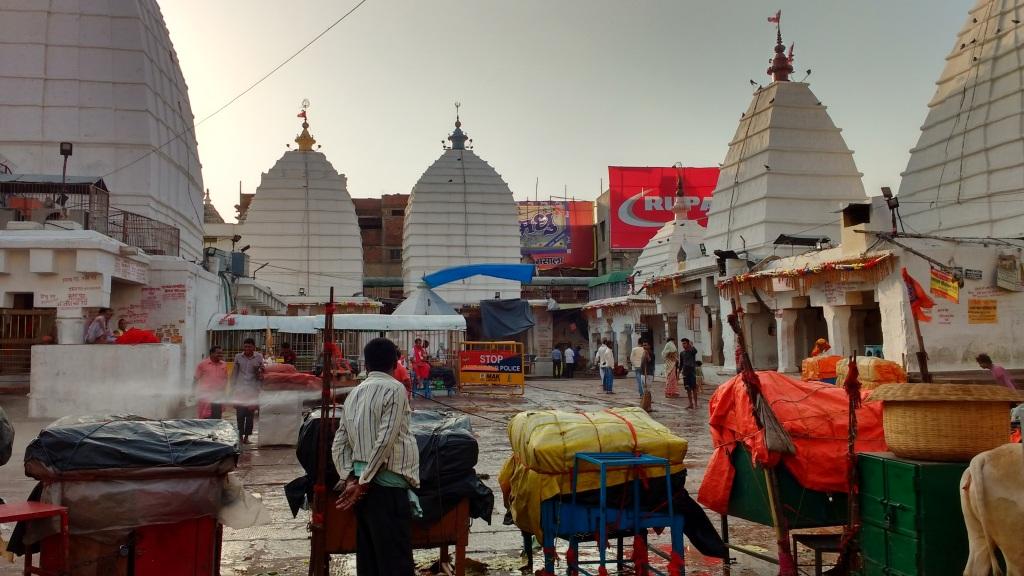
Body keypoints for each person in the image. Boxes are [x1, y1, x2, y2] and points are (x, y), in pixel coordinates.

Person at [332, 337, 419, 575]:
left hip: (362, 490)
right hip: (385, 488)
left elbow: (339, 443)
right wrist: (363, 482)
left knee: (369, 560)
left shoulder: (354, 393)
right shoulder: (395, 389)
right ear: (396, 363)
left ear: (367, 365)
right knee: (395, 563)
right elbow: (385, 440)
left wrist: (350, 477)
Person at [231, 338, 264, 444]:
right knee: (240, 415)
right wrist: (232, 388)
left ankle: (247, 437)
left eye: (249, 347)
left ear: (254, 347)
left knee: (250, 416)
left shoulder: (258, 357)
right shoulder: (238, 357)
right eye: (245, 346)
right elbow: (234, 373)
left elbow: (262, 372)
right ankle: (240, 436)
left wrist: (260, 371)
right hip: (240, 390)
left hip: (252, 391)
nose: (247, 349)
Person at [193, 345, 229, 419]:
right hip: (205, 397)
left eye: (221, 353)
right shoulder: (202, 365)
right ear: (211, 353)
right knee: (205, 418)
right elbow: (195, 379)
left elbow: (225, 379)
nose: (220, 355)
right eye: (218, 353)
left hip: (218, 396)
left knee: (217, 419)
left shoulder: (224, 365)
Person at [680, 338, 700, 409]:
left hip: (692, 372)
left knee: (694, 388)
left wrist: (692, 345)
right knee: (687, 389)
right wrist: (679, 372)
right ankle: (690, 404)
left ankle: (696, 404)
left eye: (685, 343)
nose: (683, 345)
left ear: (688, 344)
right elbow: (681, 364)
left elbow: (695, 351)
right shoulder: (682, 353)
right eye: (682, 343)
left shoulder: (692, 351)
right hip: (685, 372)